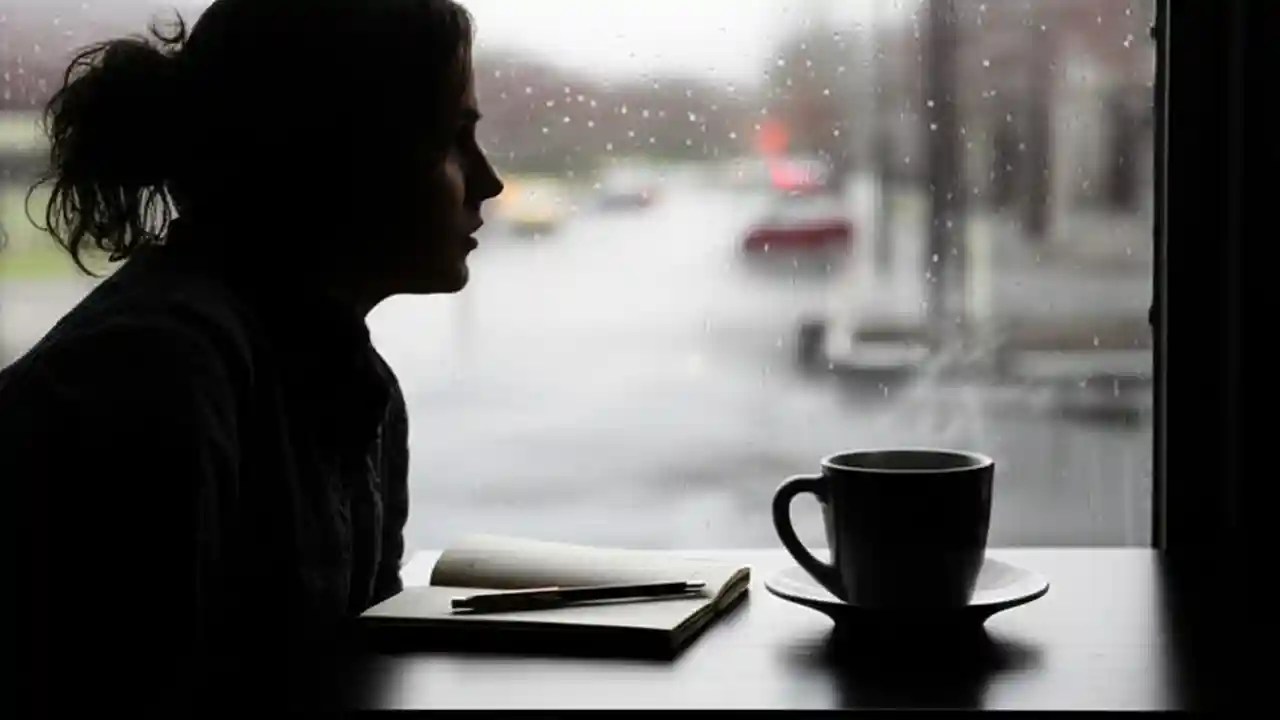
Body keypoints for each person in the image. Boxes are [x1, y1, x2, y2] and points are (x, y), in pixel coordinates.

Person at [0, 0, 503, 712]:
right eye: (454, 140)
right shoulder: (149, 379)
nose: (488, 182)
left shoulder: (347, 379)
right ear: (338, 152)